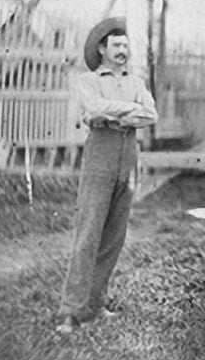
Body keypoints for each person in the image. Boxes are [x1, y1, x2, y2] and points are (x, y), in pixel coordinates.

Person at [57, 17, 158, 334]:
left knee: (114, 237)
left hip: (128, 157)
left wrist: (110, 113)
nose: (123, 50)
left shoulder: (137, 82)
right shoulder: (89, 80)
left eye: (126, 45)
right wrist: (128, 110)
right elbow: (93, 107)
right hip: (100, 155)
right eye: (116, 45)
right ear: (102, 48)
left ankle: (96, 304)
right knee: (88, 234)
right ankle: (71, 311)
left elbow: (151, 114)